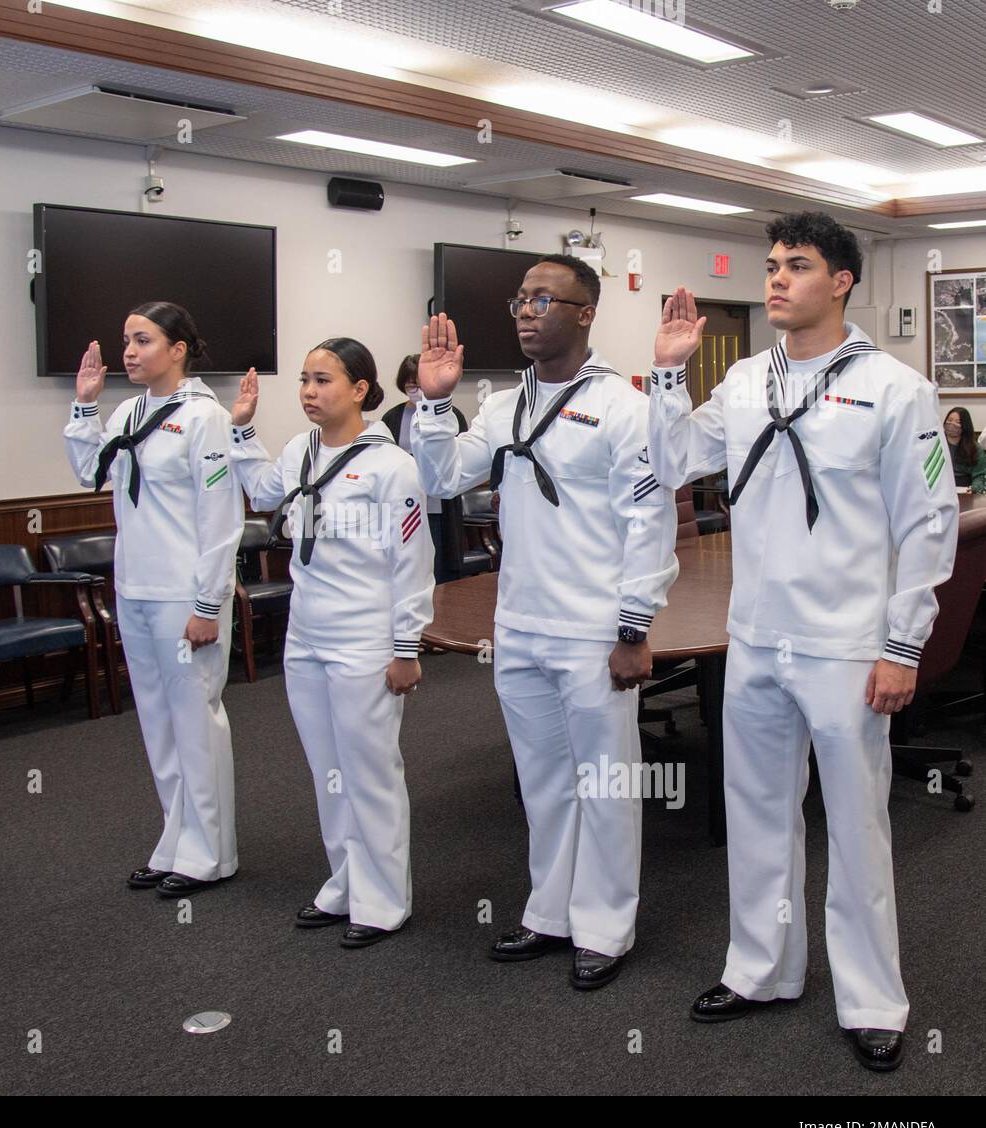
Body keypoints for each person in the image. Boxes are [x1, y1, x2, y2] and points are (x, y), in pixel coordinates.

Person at [648, 211, 959, 1072]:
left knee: (856, 828)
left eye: (798, 265)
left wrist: (903, 646)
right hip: (755, 637)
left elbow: (929, 523)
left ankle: (871, 999)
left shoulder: (896, 390)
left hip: (849, 646)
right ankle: (761, 969)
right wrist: (670, 374)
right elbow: (672, 460)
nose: (777, 278)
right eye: (773, 264)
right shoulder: (745, 380)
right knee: (755, 814)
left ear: (843, 280)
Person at [412, 256, 679, 990]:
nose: (527, 312)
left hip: (595, 629)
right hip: (521, 625)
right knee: (544, 781)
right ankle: (551, 910)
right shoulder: (503, 405)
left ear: (585, 311)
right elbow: (438, 477)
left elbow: (646, 521)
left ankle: (605, 926)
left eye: (543, 299)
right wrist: (435, 402)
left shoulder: (624, 407)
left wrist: (633, 627)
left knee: (606, 780)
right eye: (519, 300)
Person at [229, 339, 434, 947]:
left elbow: (411, 561)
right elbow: (264, 492)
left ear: (361, 390)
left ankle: (384, 899)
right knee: (330, 773)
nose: (308, 392)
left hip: (365, 638)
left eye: (323, 380)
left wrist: (405, 647)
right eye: (303, 380)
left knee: (369, 772)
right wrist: (241, 433)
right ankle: (345, 881)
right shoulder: (298, 450)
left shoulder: (392, 465)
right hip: (307, 635)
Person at [64, 301, 243, 898]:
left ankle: (211, 853)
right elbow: (91, 471)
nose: (129, 352)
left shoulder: (203, 418)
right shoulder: (128, 412)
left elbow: (222, 518)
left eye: (143, 340)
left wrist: (209, 604)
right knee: (159, 726)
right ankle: (176, 839)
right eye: (125, 340)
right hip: (134, 588)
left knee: (197, 723)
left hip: (182, 594)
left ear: (178, 349)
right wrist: (85, 407)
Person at [381, 354, 469, 582]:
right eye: (411, 385)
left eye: (419, 385)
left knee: (439, 565)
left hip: (438, 504)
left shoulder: (450, 415)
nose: (416, 390)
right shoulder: (392, 417)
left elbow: (455, 459)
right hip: (403, 504)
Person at [942, 406, 986, 492]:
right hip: (941, 487)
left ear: (965, 426)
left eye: (957, 422)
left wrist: (974, 488)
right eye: (949, 420)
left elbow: (980, 475)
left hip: (964, 489)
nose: (952, 424)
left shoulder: (974, 448)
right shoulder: (937, 443)